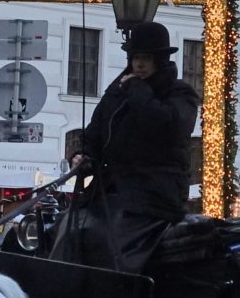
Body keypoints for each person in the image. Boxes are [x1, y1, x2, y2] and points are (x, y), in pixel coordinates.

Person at [74, 20, 200, 273]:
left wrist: (138, 90)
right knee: (69, 231)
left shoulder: (181, 94)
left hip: (154, 196)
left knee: (113, 246)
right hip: (110, 191)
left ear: (160, 60)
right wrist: (82, 155)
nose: (140, 64)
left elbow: (166, 125)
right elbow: (95, 132)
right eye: (136, 58)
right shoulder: (116, 93)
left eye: (146, 58)